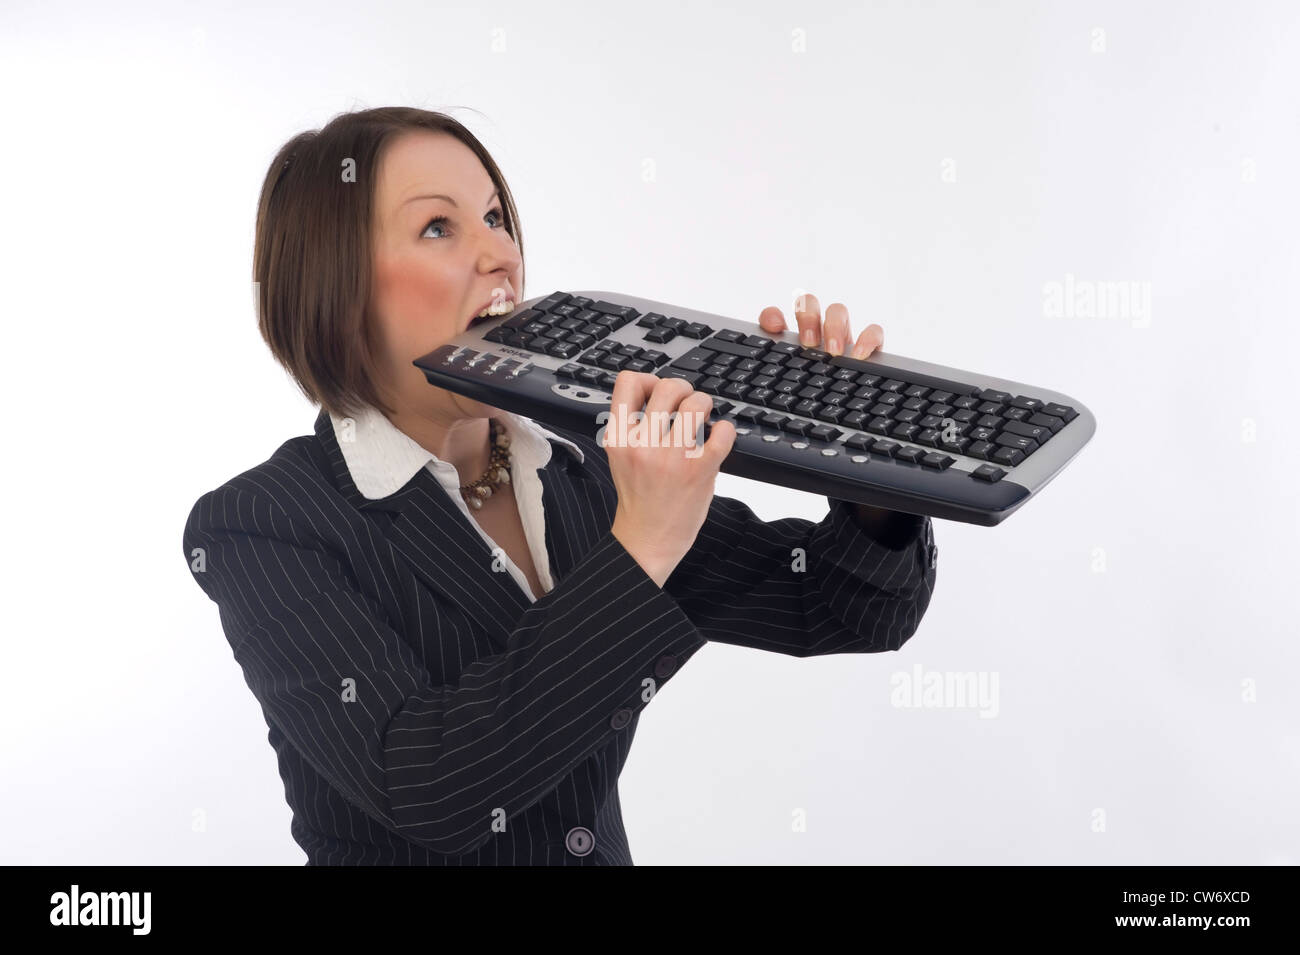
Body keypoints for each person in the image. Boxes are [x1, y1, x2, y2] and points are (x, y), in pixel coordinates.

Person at [181, 106, 938, 865]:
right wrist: (642, 546)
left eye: (495, 216)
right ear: (336, 289)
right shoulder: (263, 524)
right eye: (439, 228)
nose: (500, 254)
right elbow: (432, 787)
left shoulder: (585, 466)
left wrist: (862, 450)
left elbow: (846, 608)